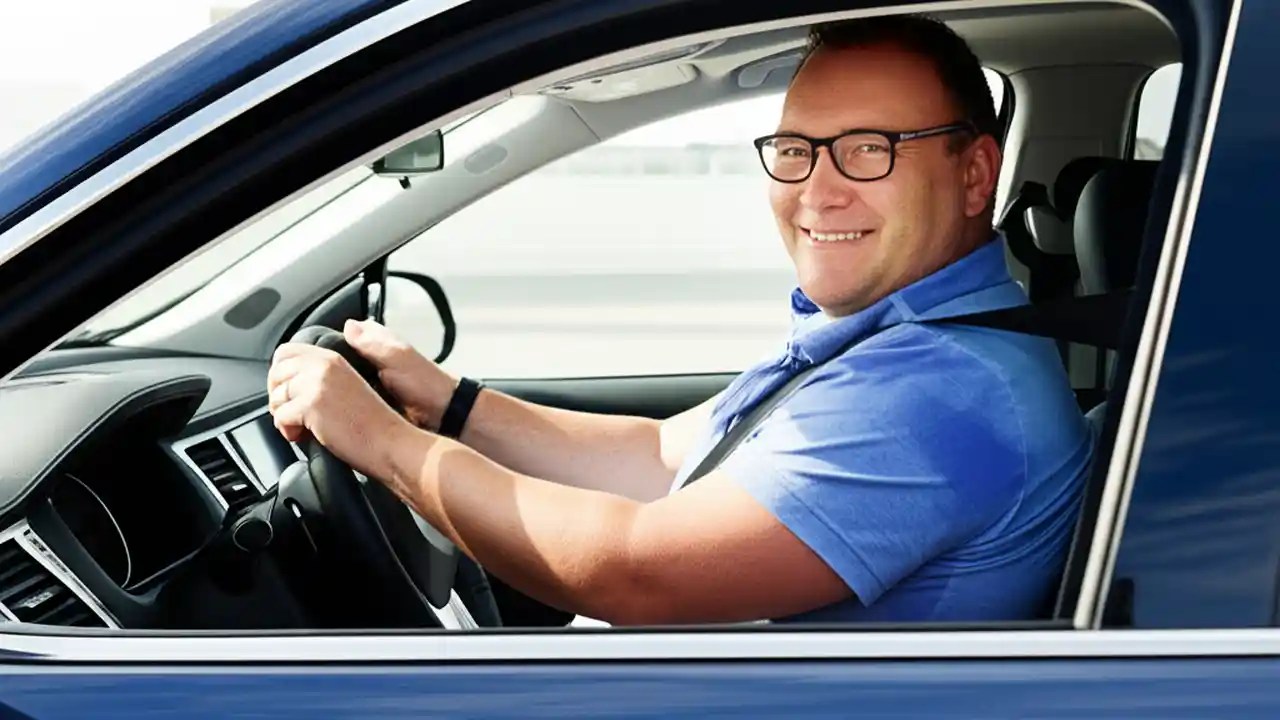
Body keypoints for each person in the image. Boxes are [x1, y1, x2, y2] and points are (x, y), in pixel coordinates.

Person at [266, 14, 1095, 625]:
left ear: (975, 174)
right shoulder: (900, 338)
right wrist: (452, 407)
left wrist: (380, 443)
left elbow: (634, 573)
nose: (819, 188)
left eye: (870, 148)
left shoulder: (940, 398)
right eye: (798, 149)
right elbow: (667, 457)